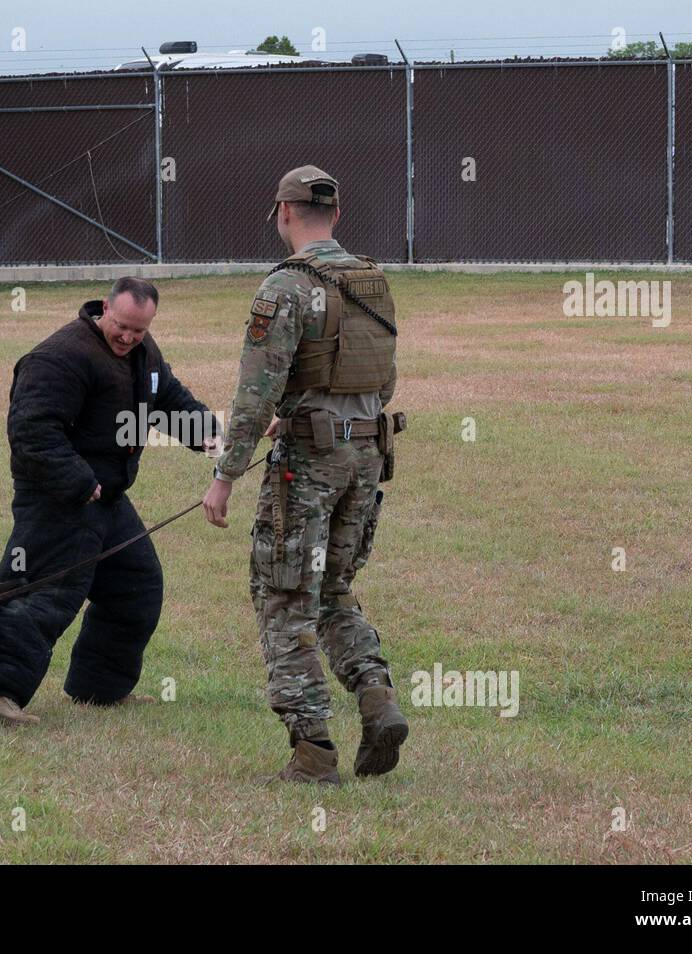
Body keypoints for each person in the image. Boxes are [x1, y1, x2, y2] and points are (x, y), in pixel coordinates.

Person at [202, 166, 408, 785]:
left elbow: (254, 391)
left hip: (309, 467)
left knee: (286, 595)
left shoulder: (285, 288)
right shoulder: (372, 280)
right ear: (336, 216)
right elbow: (381, 379)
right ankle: (376, 696)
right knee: (335, 589)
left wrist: (224, 476)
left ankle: (313, 752)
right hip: (368, 455)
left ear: (284, 213)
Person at [0, 277, 221, 726]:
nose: (128, 337)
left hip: (108, 499)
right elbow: (32, 432)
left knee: (135, 587)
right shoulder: (60, 357)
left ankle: (98, 689)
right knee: (44, 596)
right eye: (121, 326)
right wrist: (80, 483)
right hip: (60, 499)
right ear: (104, 308)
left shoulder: (145, 354)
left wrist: (215, 437)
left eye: (139, 330)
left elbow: (169, 402)